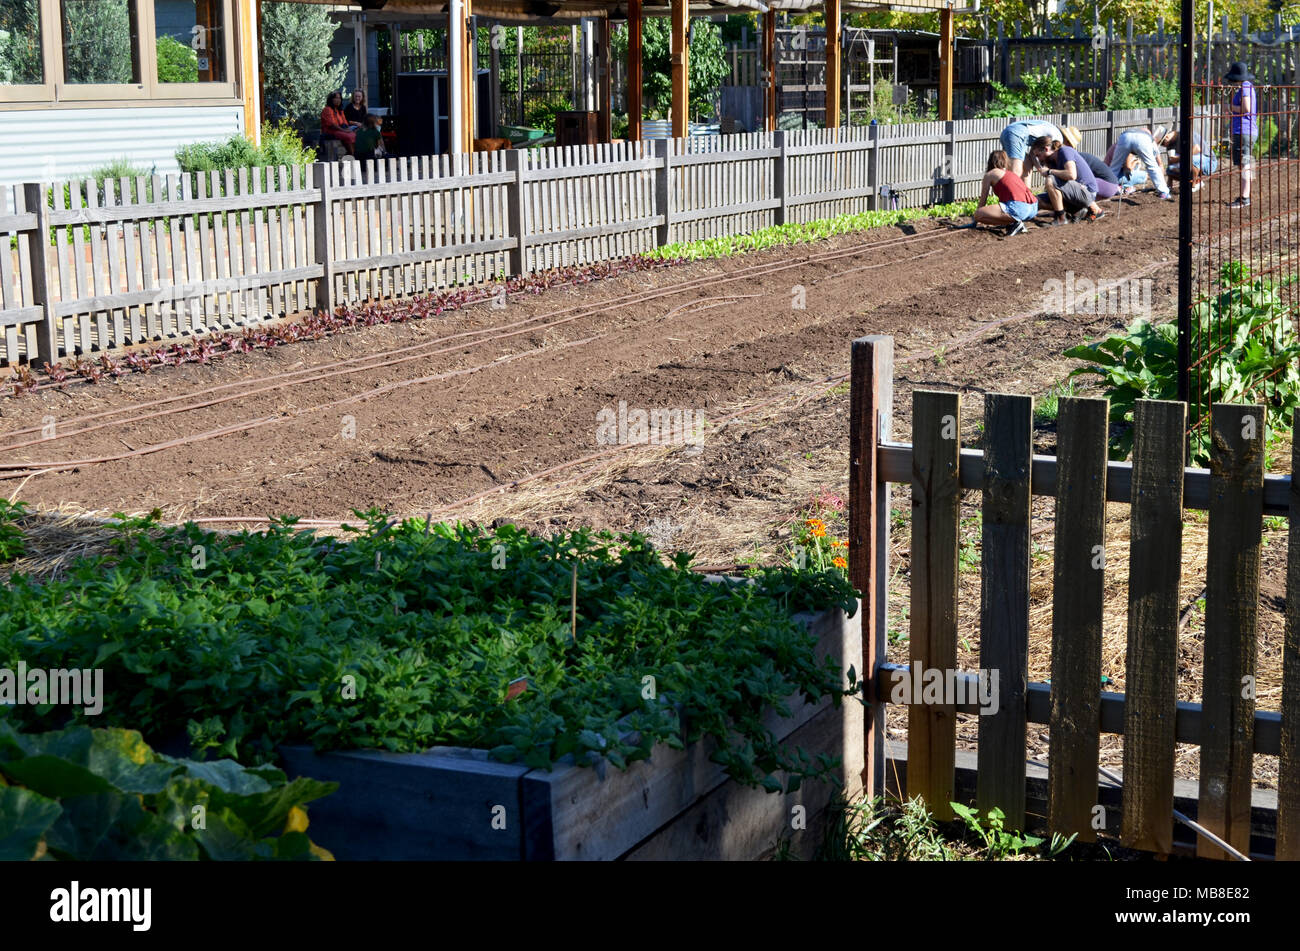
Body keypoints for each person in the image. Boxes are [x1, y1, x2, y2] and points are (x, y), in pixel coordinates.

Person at [1030, 134, 1105, 224]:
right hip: (1073, 193)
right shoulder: (1052, 161)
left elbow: (1071, 175)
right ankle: (1077, 212)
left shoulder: (1065, 151)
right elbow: (1046, 175)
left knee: (1050, 180)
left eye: (1038, 155)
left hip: (1087, 192)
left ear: (1046, 149)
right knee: (1036, 200)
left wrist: (1050, 171)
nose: (1038, 158)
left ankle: (1061, 218)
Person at [972, 149, 1040, 237]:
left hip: (1019, 208)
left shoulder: (990, 174)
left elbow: (983, 201)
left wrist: (975, 221)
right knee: (1003, 208)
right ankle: (1014, 223)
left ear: (990, 161)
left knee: (979, 214)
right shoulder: (1010, 173)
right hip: (1033, 207)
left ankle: (1015, 224)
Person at [1107, 126, 1172, 200]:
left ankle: (1108, 189)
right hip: (1142, 140)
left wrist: (1127, 168)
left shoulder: (1136, 131)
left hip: (1125, 136)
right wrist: (1162, 179)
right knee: (1152, 166)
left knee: (1114, 167)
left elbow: (1128, 153)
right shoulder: (1151, 141)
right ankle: (1164, 193)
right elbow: (1159, 164)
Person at [1224, 62, 1257, 208]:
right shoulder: (1248, 86)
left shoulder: (1245, 87)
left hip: (1243, 131)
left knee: (1244, 164)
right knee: (1247, 162)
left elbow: (1246, 108)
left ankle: (1244, 198)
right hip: (1247, 131)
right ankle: (1246, 195)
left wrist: (1229, 107)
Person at [1061, 125, 1121, 201]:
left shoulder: (1074, 159)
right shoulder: (1073, 156)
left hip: (1108, 185)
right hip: (1105, 184)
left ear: (1067, 142)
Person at [999, 119, 1064, 183]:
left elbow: (1032, 154)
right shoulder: (1056, 139)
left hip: (1011, 132)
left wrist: (1040, 168)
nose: (1039, 158)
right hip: (1017, 133)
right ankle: (1012, 192)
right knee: (1016, 171)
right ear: (1046, 149)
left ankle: (1027, 192)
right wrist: (1041, 169)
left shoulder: (1050, 141)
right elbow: (1035, 154)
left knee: (1028, 165)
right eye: (1038, 156)